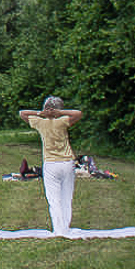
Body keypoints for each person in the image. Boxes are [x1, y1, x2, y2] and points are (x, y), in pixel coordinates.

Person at [19, 97, 85, 236]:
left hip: (50, 163)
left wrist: (40, 113)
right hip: (67, 162)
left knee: (54, 199)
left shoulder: (39, 122)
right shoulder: (63, 121)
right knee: (66, 197)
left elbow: (22, 113)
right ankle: (65, 227)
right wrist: (60, 113)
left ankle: (58, 229)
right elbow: (78, 113)